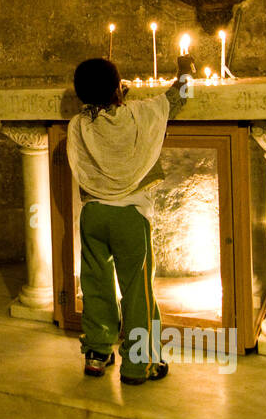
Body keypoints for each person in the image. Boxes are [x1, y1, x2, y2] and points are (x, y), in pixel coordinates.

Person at [67, 53, 194, 385]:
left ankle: (96, 353)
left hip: (93, 216)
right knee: (137, 292)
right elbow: (176, 98)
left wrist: (111, 93)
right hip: (129, 217)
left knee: (95, 286)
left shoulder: (78, 124)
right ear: (118, 92)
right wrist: (185, 71)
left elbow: (99, 112)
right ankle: (139, 364)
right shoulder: (138, 114)